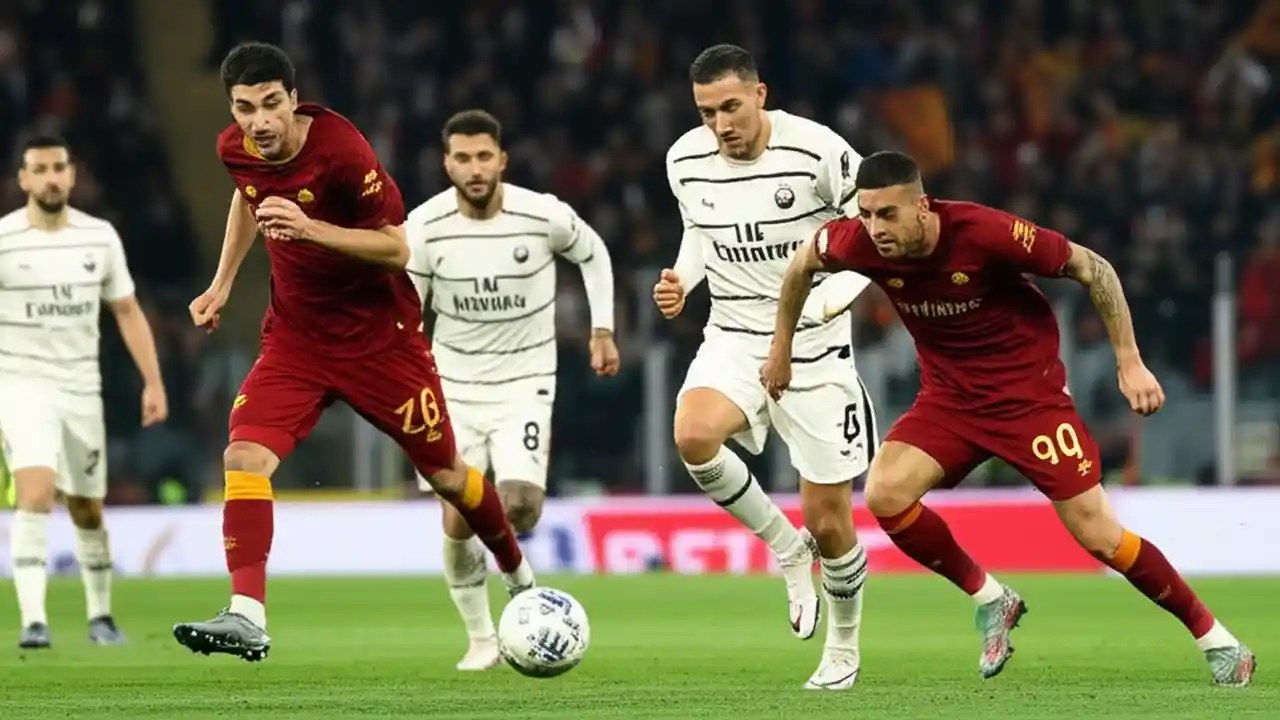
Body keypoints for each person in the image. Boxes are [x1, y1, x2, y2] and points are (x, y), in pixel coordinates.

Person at [762, 150, 1256, 687]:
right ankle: (991, 599)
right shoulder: (855, 241)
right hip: (950, 400)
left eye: (888, 214)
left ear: (922, 207)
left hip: (1029, 399)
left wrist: (1130, 361)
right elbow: (801, 266)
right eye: (866, 214)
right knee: (885, 494)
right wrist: (780, 348)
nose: (874, 228)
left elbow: (1095, 269)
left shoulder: (985, 232)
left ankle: (1217, 640)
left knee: (1100, 537)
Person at [171, 42, 534, 662]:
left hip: (380, 343)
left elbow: (396, 250)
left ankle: (520, 579)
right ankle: (247, 614)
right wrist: (223, 282)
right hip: (296, 340)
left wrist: (311, 230)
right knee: (244, 453)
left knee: (448, 475)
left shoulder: (342, 151)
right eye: (242, 108)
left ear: (292, 98)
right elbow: (248, 197)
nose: (257, 122)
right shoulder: (235, 148)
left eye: (268, 105)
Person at [652, 44, 874, 690]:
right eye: (705, 113)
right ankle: (784, 547)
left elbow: (880, 227)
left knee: (831, 522)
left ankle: (843, 648)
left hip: (815, 343)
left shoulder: (817, 151)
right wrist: (683, 280)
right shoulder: (685, 159)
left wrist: (832, 301)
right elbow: (702, 228)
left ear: (760, 95)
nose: (720, 125)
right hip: (735, 332)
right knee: (693, 433)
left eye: (729, 107)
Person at [405, 109, 619, 671]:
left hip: (525, 381)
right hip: (451, 385)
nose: (474, 168)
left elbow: (593, 251)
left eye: (483, 157)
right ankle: (481, 638)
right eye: (462, 158)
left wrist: (602, 329)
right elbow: (405, 309)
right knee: (457, 513)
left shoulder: (541, 214)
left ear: (502, 159)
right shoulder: (425, 228)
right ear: (446, 163)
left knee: (521, 506)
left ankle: (515, 588)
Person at [0, 135, 168, 648]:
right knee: (34, 494)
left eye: (58, 167)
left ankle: (100, 615)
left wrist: (153, 381)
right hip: (22, 385)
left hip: (81, 390)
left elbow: (126, 310)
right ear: (23, 179)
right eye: (40, 169)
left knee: (86, 508)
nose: (51, 177)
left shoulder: (99, 238)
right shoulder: (3, 240)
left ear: (72, 176)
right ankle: (34, 621)